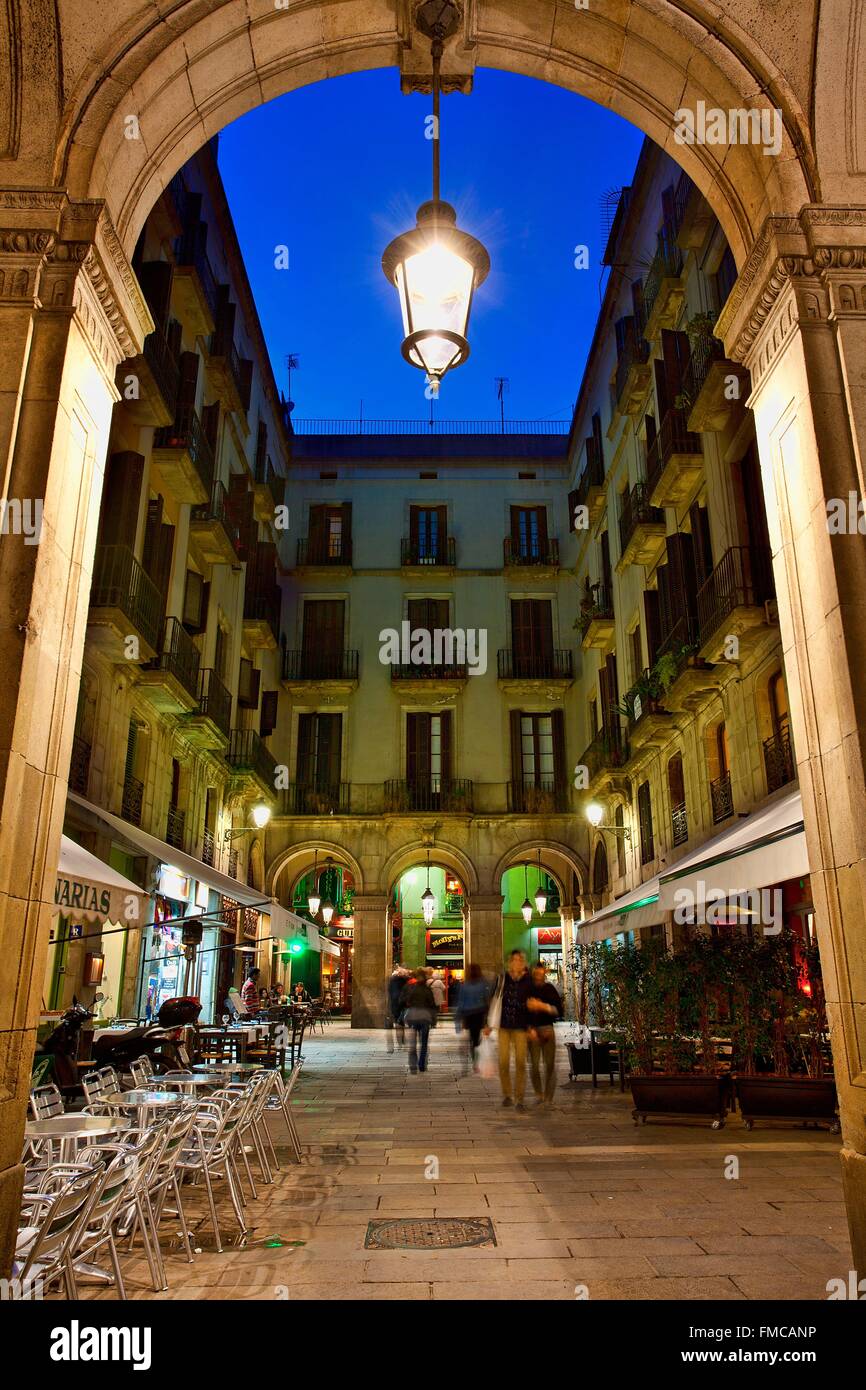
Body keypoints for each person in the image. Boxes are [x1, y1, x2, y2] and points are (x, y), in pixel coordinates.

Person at [487, 950, 531, 1109]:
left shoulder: (528, 980)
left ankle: (519, 1098)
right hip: (504, 1026)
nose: (518, 962)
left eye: (520, 960)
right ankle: (507, 1094)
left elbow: (532, 1003)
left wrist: (532, 1026)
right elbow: (493, 999)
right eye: (515, 960)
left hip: (521, 1026)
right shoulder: (502, 978)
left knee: (520, 1062)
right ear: (510, 962)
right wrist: (489, 1024)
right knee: (503, 1062)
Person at [526, 961, 563, 1105]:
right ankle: (538, 1093)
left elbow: (558, 1011)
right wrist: (529, 1029)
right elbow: (523, 1012)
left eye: (541, 972)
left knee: (549, 1065)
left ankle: (548, 1095)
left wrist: (543, 1006)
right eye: (536, 972)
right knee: (534, 1065)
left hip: (548, 1029)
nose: (538, 975)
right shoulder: (528, 990)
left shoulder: (550, 989)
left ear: (544, 973)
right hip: (533, 1031)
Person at [400, 967, 437, 1074]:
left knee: (413, 1043)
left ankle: (413, 1065)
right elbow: (432, 1005)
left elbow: (401, 1000)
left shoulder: (410, 987)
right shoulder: (427, 989)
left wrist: (408, 1003)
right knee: (424, 1043)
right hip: (425, 1018)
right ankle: (421, 1064)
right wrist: (434, 1020)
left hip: (413, 1017)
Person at [455, 962, 490, 1073]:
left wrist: (458, 1020)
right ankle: (475, 1063)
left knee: (471, 1038)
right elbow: (486, 1000)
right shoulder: (483, 984)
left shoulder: (464, 985)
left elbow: (460, 1002)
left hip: (468, 1014)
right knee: (476, 1039)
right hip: (479, 1014)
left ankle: (473, 1060)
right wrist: (487, 1019)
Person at [386, 966, 408, 1052]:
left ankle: (400, 1042)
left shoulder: (392, 981)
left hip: (395, 1005)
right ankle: (402, 1041)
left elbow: (390, 993)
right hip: (403, 1005)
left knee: (398, 1023)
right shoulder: (405, 981)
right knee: (401, 1024)